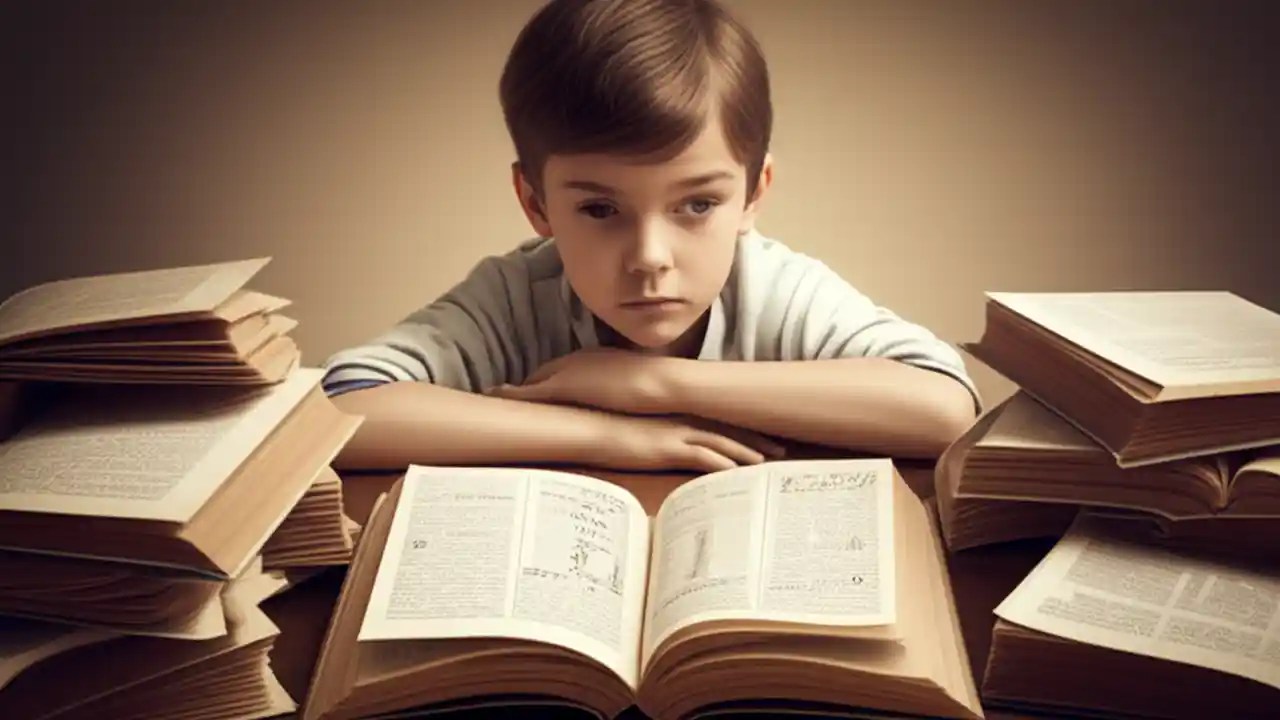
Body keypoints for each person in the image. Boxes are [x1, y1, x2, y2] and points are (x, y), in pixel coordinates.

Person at [322, 0, 981, 473]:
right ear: (536, 203)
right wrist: (601, 435)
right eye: (601, 211)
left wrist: (653, 384)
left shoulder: (772, 289)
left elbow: (944, 409)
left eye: (696, 204)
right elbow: (336, 414)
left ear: (754, 193)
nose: (649, 259)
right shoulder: (518, 296)